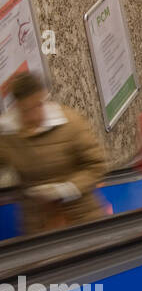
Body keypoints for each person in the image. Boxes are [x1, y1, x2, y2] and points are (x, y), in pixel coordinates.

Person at [0, 73, 107, 235]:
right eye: (25, 110)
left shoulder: (70, 123)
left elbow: (96, 165)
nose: (33, 115)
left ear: (44, 98)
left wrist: (65, 190)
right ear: (16, 106)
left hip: (81, 218)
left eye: (37, 106)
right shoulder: (9, 134)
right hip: (37, 226)